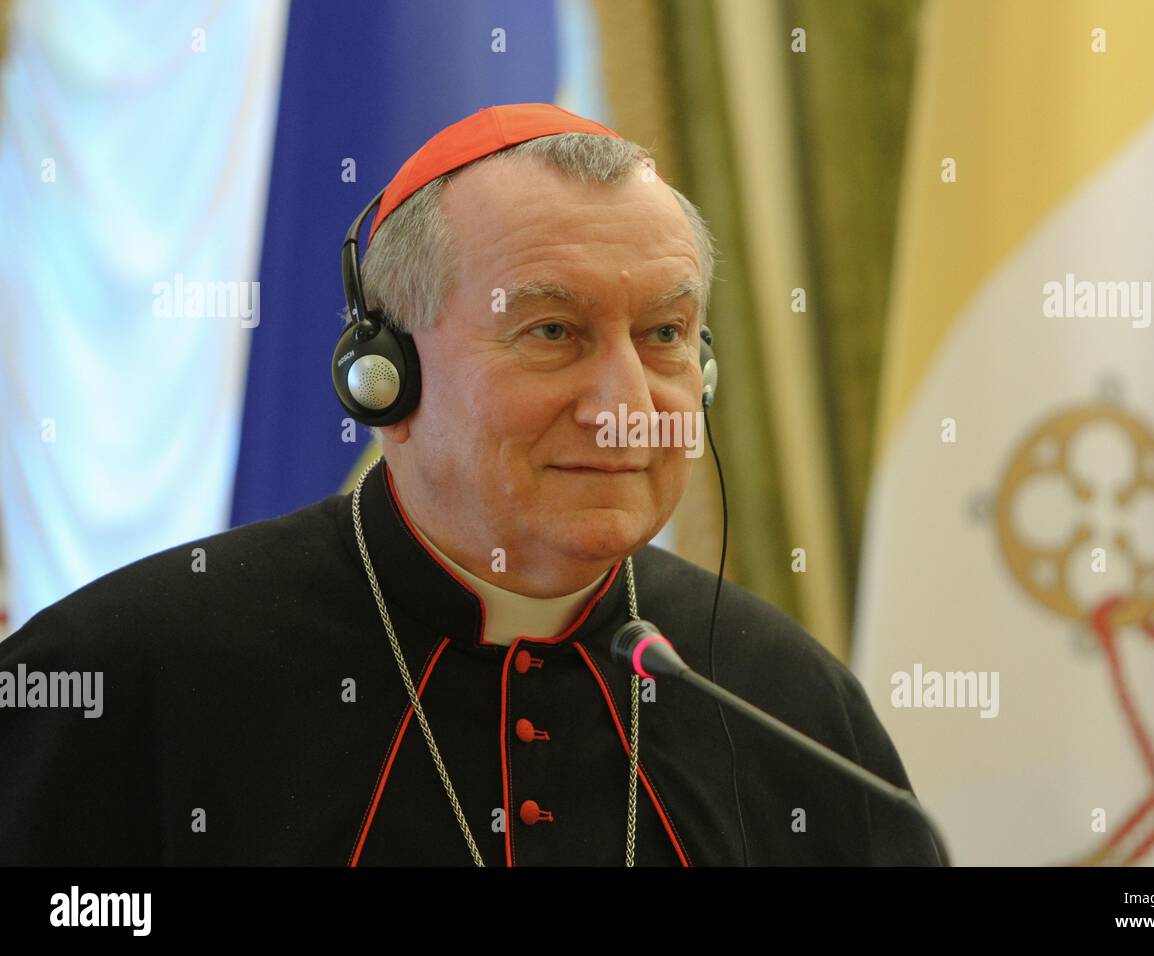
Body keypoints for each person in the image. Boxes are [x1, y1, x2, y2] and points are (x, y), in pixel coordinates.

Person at [0, 103, 940, 866]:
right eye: (552, 332)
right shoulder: (124, 675)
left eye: (662, 336)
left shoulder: (784, 701)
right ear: (384, 373)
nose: (625, 403)